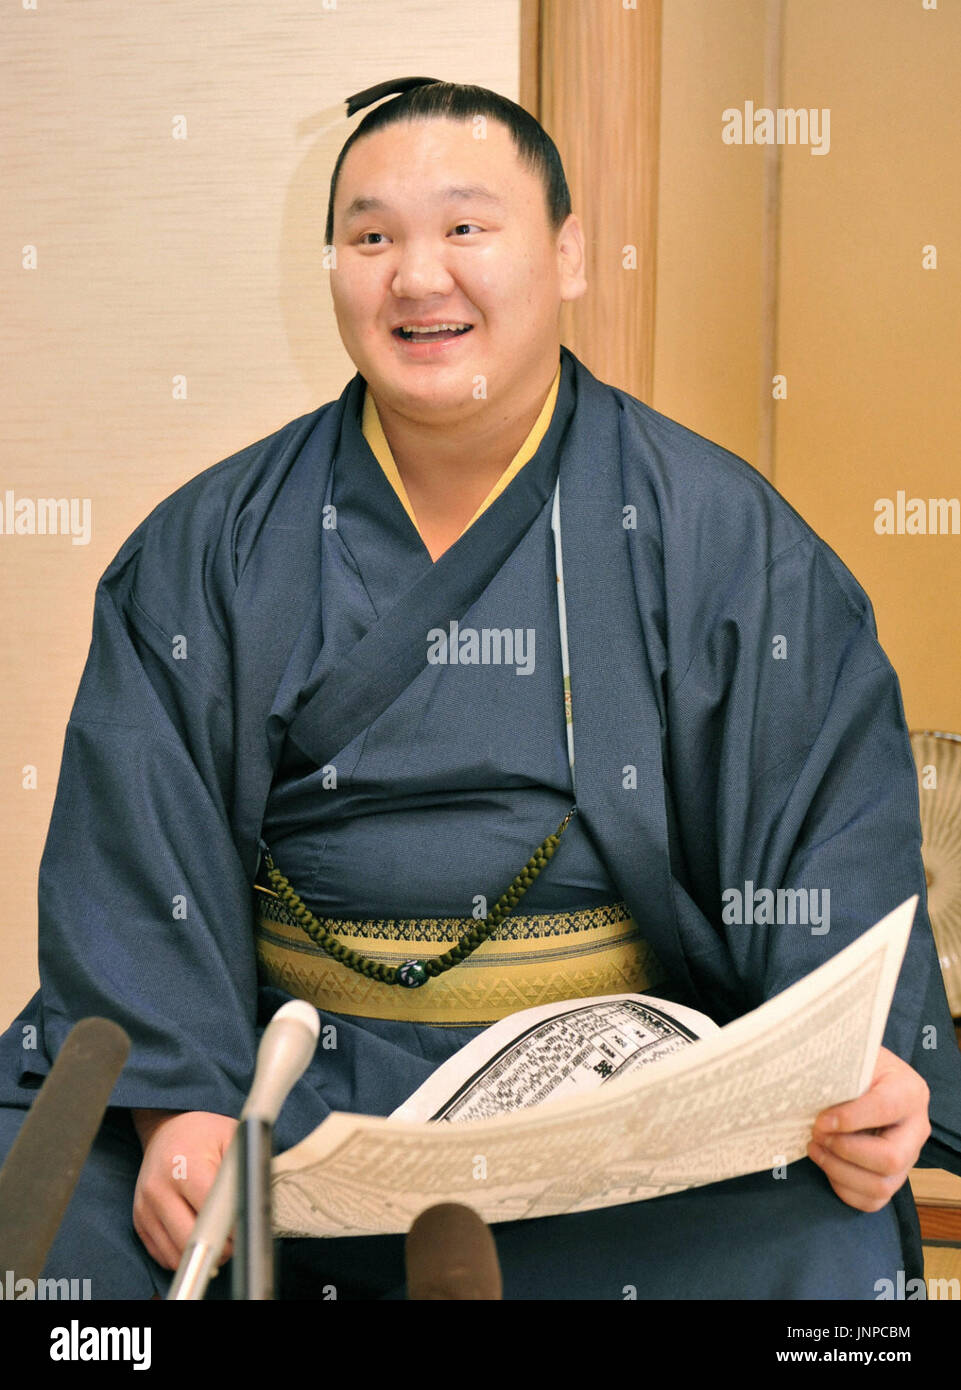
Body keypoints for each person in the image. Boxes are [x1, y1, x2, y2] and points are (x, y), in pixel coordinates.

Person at [0, 78, 959, 1301]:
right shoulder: (211, 546)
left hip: (618, 1115)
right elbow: (138, 854)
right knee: (60, 1243)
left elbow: (824, 832)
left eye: (463, 228)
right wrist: (180, 1108)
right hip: (282, 1085)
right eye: (371, 235)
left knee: (816, 1246)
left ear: (566, 254)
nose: (416, 276)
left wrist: (857, 1064)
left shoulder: (719, 537)